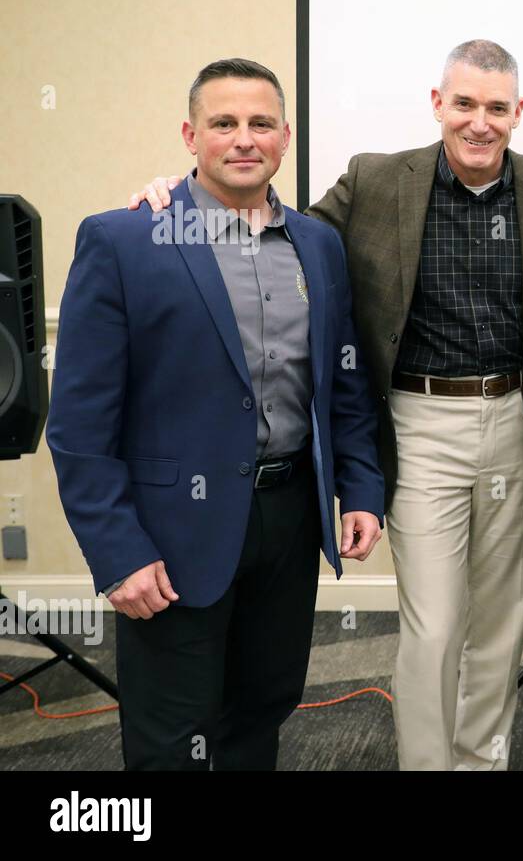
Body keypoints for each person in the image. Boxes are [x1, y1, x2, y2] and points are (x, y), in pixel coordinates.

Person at [130, 40, 523, 770]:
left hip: (518, 422)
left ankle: (481, 762)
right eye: (463, 104)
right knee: (433, 624)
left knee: (500, 620)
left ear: (517, 113)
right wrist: (181, 188)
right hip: (419, 424)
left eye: (495, 107)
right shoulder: (377, 179)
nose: (478, 122)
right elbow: (278, 228)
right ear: (437, 104)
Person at [48, 58, 385, 770]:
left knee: (261, 708)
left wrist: (359, 489)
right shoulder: (126, 239)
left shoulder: (318, 244)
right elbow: (79, 426)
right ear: (189, 134)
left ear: (285, 137)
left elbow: (341, 383)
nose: (243, 139)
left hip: (288, 520)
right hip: (171, 536)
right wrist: (117, 552)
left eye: (261, 124)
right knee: (173, 734)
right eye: (223, 123)